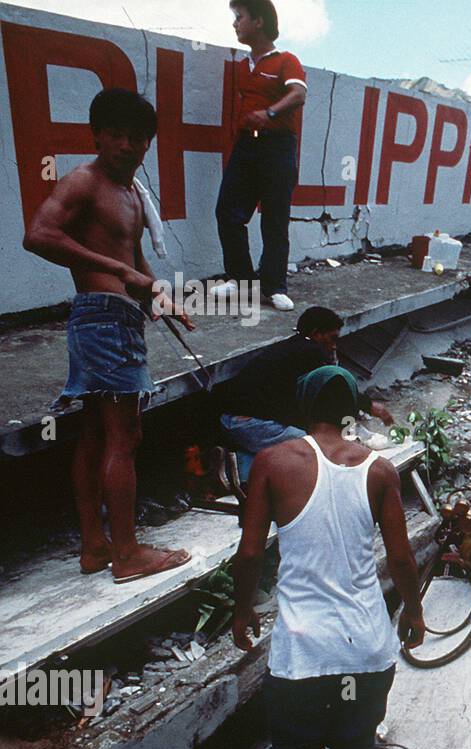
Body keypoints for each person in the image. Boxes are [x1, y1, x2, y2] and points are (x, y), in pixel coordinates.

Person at [230, 366, 426, 749]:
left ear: (302, 407)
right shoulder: (379, 469)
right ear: (351, 410)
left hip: (302, 652)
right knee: (355, 747)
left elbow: (250, 553)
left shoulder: (273, 462)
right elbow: (401, 559)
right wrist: (413, 613)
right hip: (365, 646)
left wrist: (242, 611)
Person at [23, 89, 195, 583]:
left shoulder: (131, 196)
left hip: (117, 318)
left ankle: (96, 549)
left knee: (97, 434)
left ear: (147, 145)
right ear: (97, 135)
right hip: (101, 316)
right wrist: (120, 271)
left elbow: (135, 263)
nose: (125, 144)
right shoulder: (84, 181)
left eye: (136, 137)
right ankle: (127, 553)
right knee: (127, 435)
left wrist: (164, 303)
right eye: (115, 134)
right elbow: (38, 235)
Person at [215, 306, 393, 486]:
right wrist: (369, 406)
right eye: (332, 338)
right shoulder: (309, 352)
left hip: (237, 420)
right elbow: (338, 387)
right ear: (316, 334)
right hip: (245, 423)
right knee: (312, 448)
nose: (334, 345)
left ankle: (237, 458)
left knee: (306, 440)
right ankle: (235, 469)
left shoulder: (295, 348)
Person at [211, 0, 308, 313]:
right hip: (247, 146)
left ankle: (273, 287)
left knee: (275, 218)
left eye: (240, 17)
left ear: (259, 22)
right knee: (227, 210)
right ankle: (239, 279)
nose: (235, 23)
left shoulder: (285, 60)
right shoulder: (243, 66)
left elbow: (299, 94)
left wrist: (268, 113)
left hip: (278, 146)